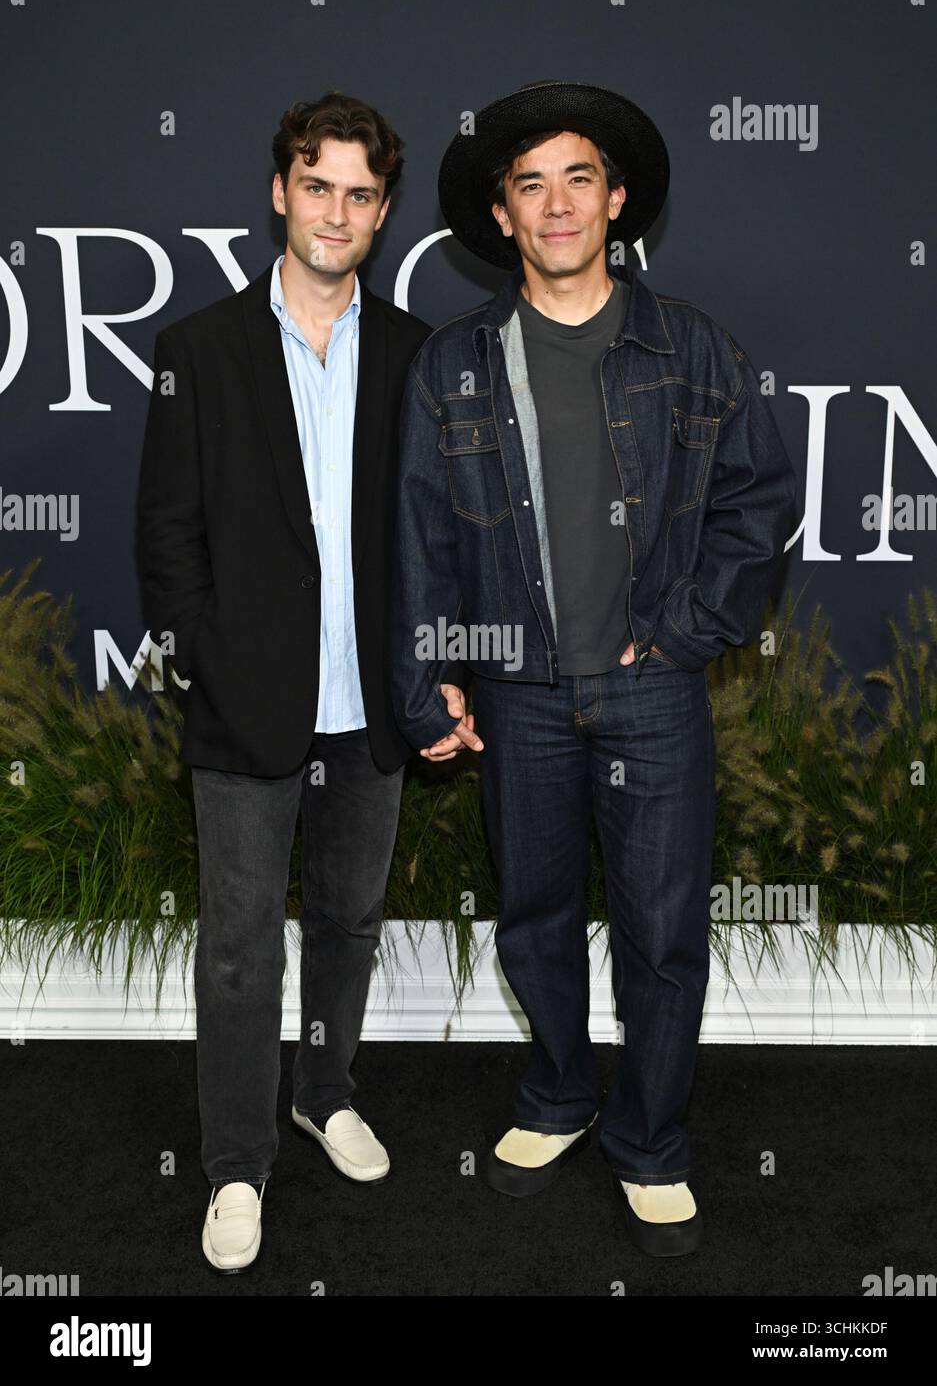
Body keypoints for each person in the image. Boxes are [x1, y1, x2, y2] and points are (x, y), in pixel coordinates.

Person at [389, 80, 798, 1257]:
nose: (557, 204)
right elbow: (418, 534)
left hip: (651, 692)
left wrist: (678, 634)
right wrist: (438, 671)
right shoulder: (456, 363)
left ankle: (653, 1142)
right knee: (533, 916)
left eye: (579, 179)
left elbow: (758, 507)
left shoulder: (691, 346)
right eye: (531, 184)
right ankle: (561, 1093)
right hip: (516, 690)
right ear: (502, 216)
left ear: (615, 203)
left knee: (663, 930)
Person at [135, 92, 435, 1273]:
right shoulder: (199, 351)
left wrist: (435, 669)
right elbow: (165, 536)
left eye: (361, 194)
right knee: (241, 944)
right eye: (319, 185)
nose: (337, 211)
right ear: (280, 191)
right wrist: (205, 653)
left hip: (372, 707)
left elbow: (436, 533)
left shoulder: (415, 353)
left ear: (382, 212)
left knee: (351, 922)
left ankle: (325, 1088)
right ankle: (235, 1165)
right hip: (245, 704)